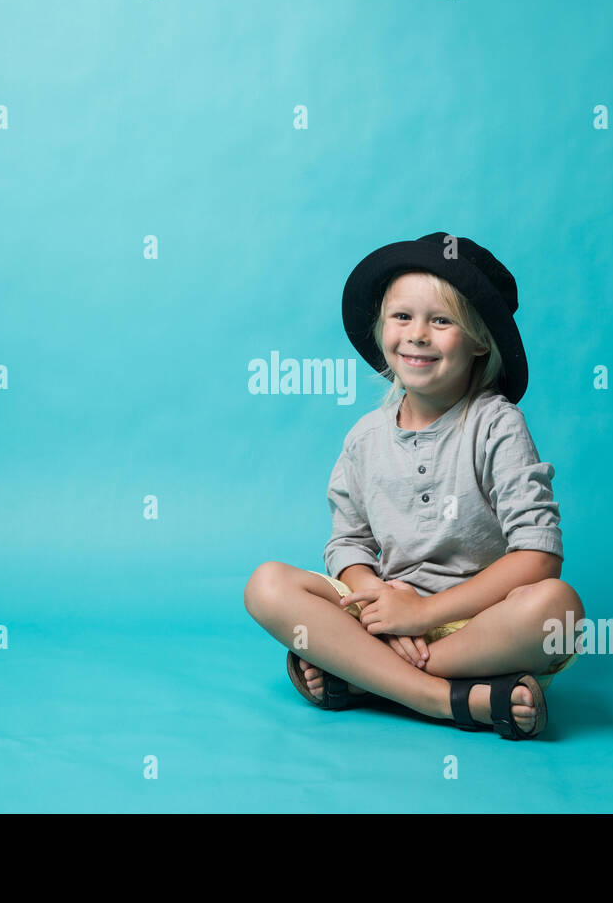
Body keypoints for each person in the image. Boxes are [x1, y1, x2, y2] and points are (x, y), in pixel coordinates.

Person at [243, 232, 586, 739]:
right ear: (382, 327)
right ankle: (444, 699)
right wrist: (381, 603)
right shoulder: (364, 438)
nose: (417, 334)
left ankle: (366, 677)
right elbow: (349, 543)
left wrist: (423, 613)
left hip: (476, 624)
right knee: (267, 584)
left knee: (560, 611)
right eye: (402, 317)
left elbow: (539, 555)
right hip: (387, 608)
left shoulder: (496, 425)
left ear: (477, 341)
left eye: (441, 320)